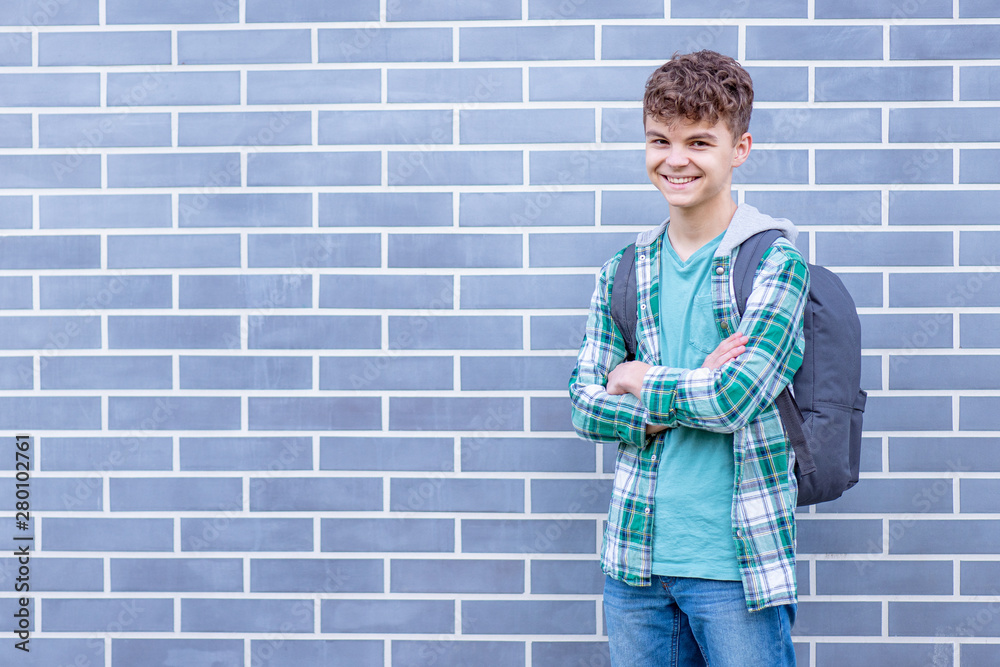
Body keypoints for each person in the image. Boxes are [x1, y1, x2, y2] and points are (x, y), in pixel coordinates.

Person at [568, 50, 809, 666]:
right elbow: (585, 408)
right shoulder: (623, 270)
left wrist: (640, 379)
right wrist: (691, 383)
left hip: (737, 568)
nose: (675, 159)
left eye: (699, 142)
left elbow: (733, 400)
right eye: (660, 140)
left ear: (739, 148)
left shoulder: (774, 264)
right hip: (634, 564)